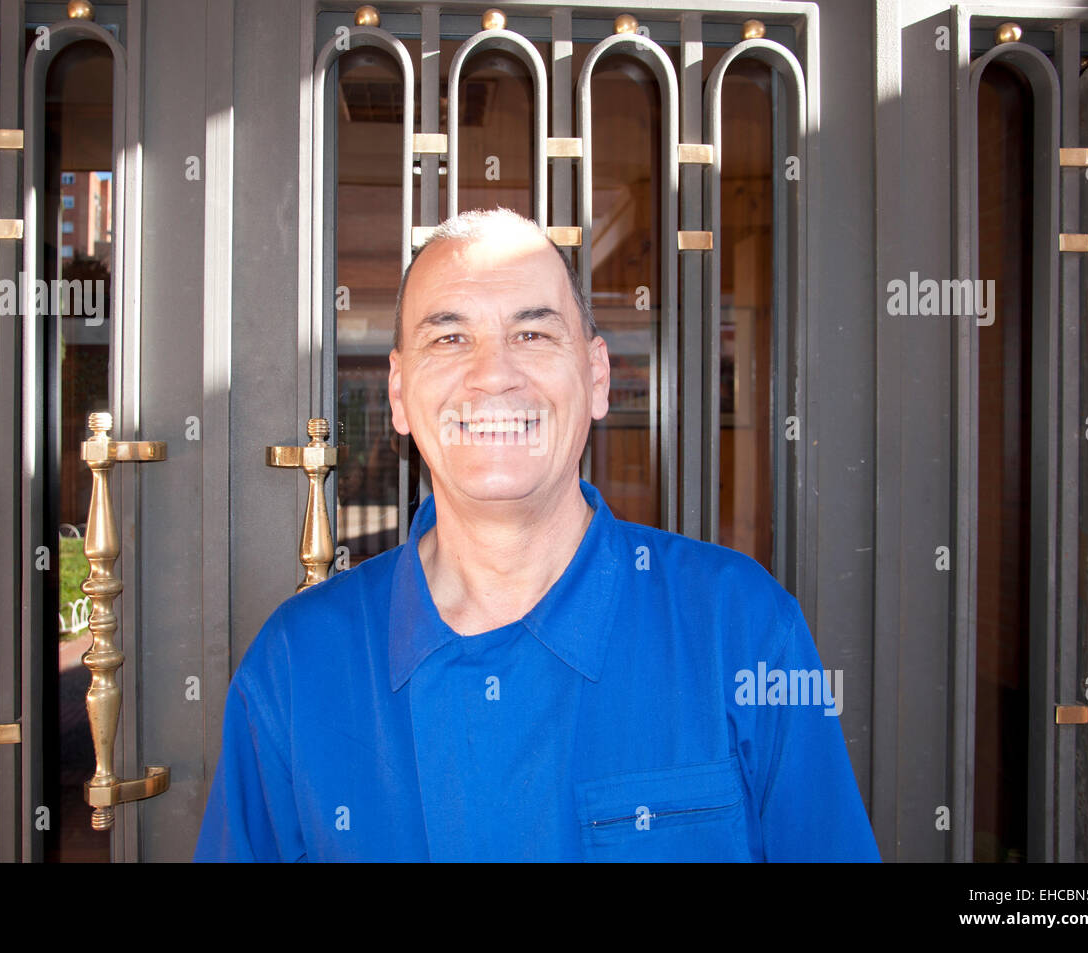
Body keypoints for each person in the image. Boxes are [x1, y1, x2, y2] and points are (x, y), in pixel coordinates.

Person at [194, 207, 880, 862]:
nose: (493, 372)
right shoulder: (295, 664)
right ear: (399, 394)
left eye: (532, 332)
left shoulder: (742, 625)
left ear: (597, 375)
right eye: (450, 335)